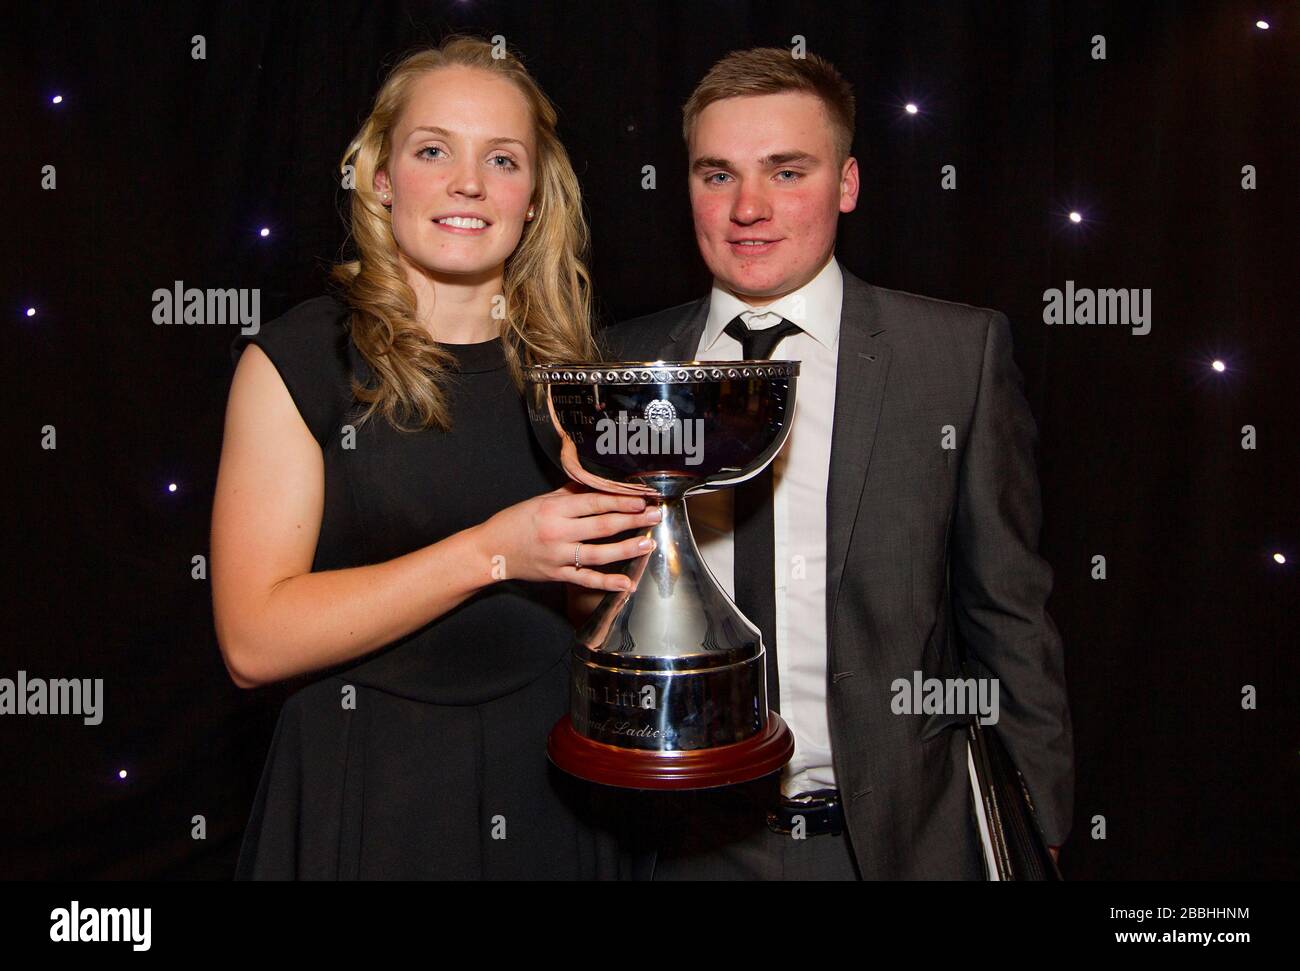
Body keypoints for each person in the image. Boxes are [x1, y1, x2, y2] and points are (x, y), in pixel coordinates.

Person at [598, 47, 1074, 879]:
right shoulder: (620, 366)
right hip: (682, 844)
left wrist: (1037, 825)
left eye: (787, 172)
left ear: (846, 184)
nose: (748, 207)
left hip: (901, 845)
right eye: (717, 175)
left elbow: (1009, 614)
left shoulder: (954, 358)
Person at [211, 35, 659, 879]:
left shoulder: (574, 374)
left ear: (534, 198)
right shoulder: (299, 360)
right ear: (381, 177)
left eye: (502, 159)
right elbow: (253, 640)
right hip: (367, 786)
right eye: (432, 151)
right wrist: (495, 551)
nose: (468, 184)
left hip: (555, 784)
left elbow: (596, 615)